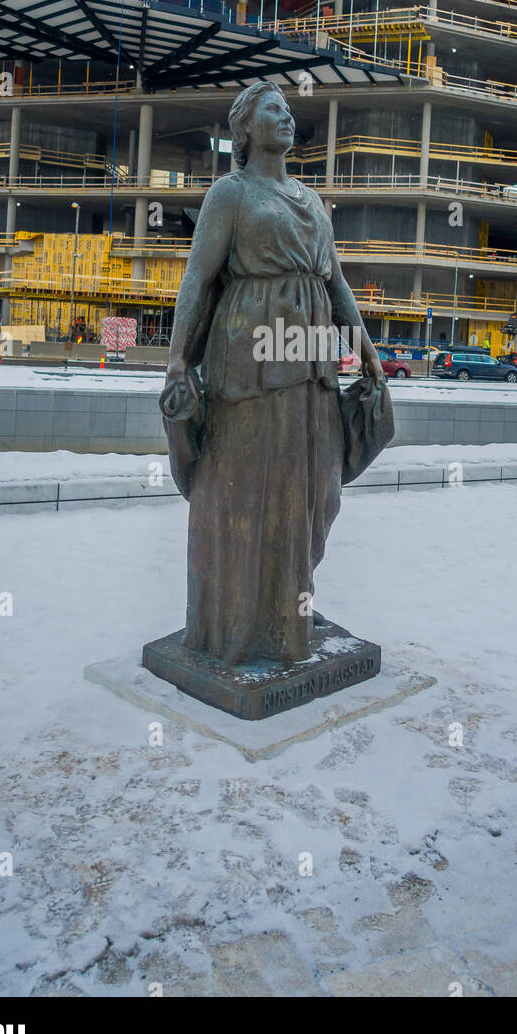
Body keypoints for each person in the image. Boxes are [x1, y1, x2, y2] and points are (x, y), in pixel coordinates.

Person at [163, 80, 385, 667]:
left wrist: (364, 349)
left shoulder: (313, 202)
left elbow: (335, 284)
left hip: (310, 355)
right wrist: (177, 358)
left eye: (289, 110)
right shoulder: (230, 195)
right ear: (245, 129)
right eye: (272, 109)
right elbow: (198, 280)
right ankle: (242, 624)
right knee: (248, 488)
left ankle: (288, 610)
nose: (286, 117)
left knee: (318, 492)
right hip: (250, 352)